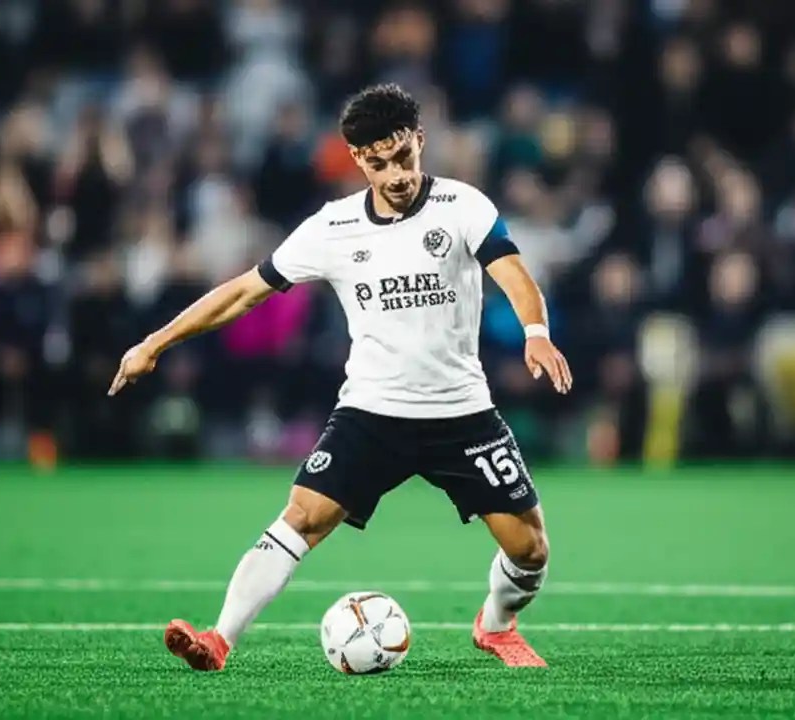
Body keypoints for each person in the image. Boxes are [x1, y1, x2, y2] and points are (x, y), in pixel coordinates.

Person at [108, 84, 572, 671]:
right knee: (300, 516)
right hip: (372, 412)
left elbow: (513, 274)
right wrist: (156, 342)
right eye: (378, 163)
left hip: (460, 412)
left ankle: (496, 624)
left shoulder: (463, 207)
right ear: (358, 160)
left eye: (403, 156)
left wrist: (535, 332)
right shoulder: (333, 227)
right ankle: (218, 639)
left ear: (420, 142)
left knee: (530, 550)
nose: (396, 173)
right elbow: (243, 293)